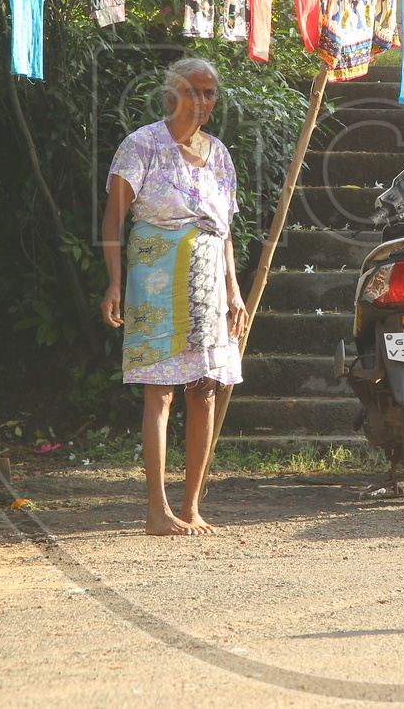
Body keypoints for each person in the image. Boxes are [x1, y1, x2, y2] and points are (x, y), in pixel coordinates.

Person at [100, 57, 247, 535]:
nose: (201, 102)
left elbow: (223, 231)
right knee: (159, 392)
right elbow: (112, 221)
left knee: (204, 390)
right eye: (192, 91)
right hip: (155, 285)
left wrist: (234, 291)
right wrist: (115, 282)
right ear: (171, 95)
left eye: (209, 94)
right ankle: (157, 510)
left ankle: (192, 508)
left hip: (207, 286)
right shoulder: (140, 145)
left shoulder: (218, 154)